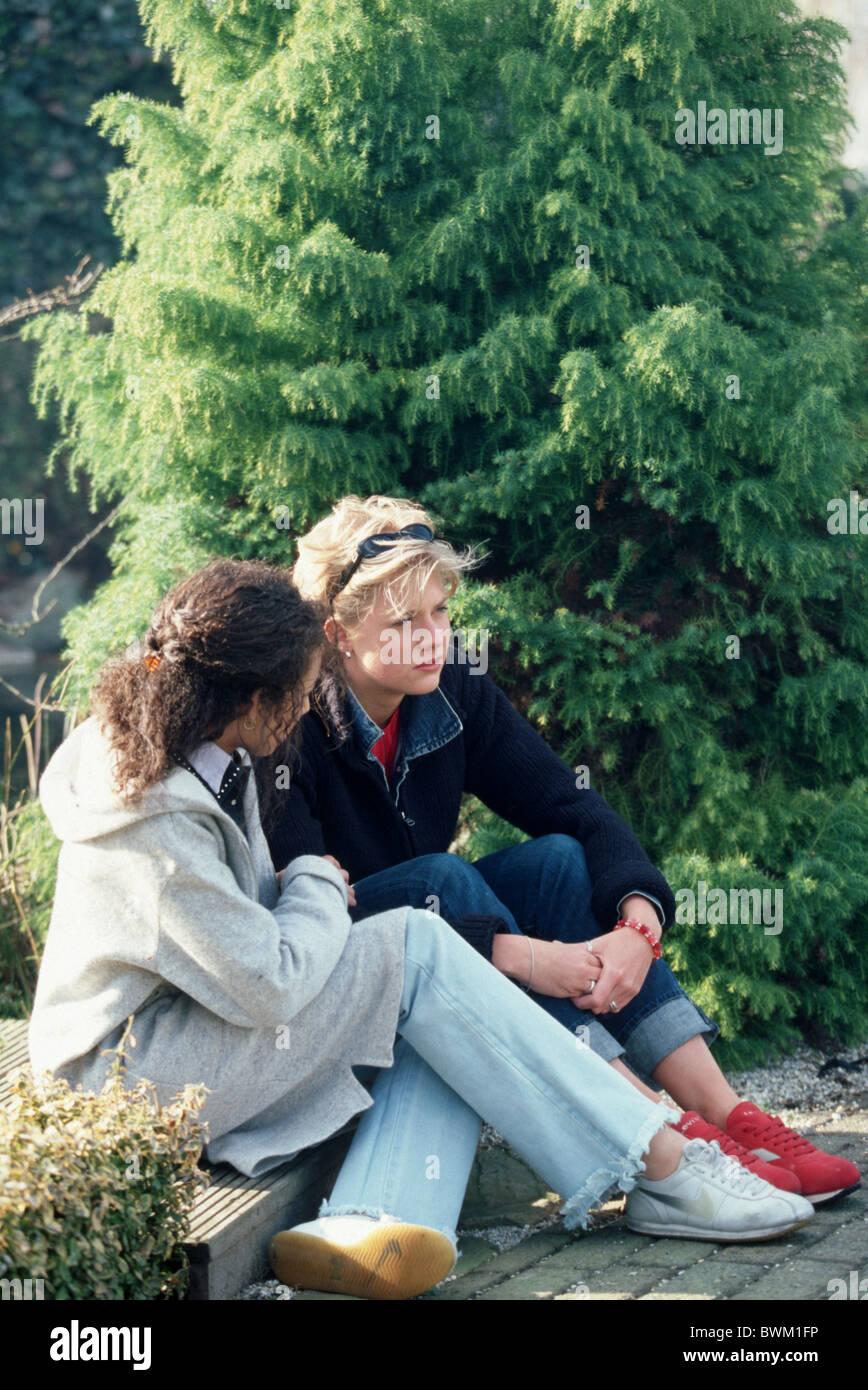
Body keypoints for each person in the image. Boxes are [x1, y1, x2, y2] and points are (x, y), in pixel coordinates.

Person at [27, 557, 816, 1301]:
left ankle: (371, 1219)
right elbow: (269, 982)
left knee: (431, 998)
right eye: (298, 693)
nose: (306, 706)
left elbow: (259, 955)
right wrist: (311, 879)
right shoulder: (156, 812)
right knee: (419, 948)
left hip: (199, 1030)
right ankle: (662, 1165)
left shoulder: (202, 744)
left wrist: (636, 911)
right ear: (253, 697)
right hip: (130, 1074)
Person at [268, 494, 861, 1210]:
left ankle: (731, 1116)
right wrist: (517, 956)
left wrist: (639, 926)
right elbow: (320, 914)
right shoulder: (288, 726)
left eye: (440, 613)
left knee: (557, 861)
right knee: (442, 881)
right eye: (404, 623)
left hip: (443, 950)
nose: (433, 640)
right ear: (337, 634)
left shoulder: (452, 691)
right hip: (348, 983)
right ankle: (652, 1128)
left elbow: (575, 809)